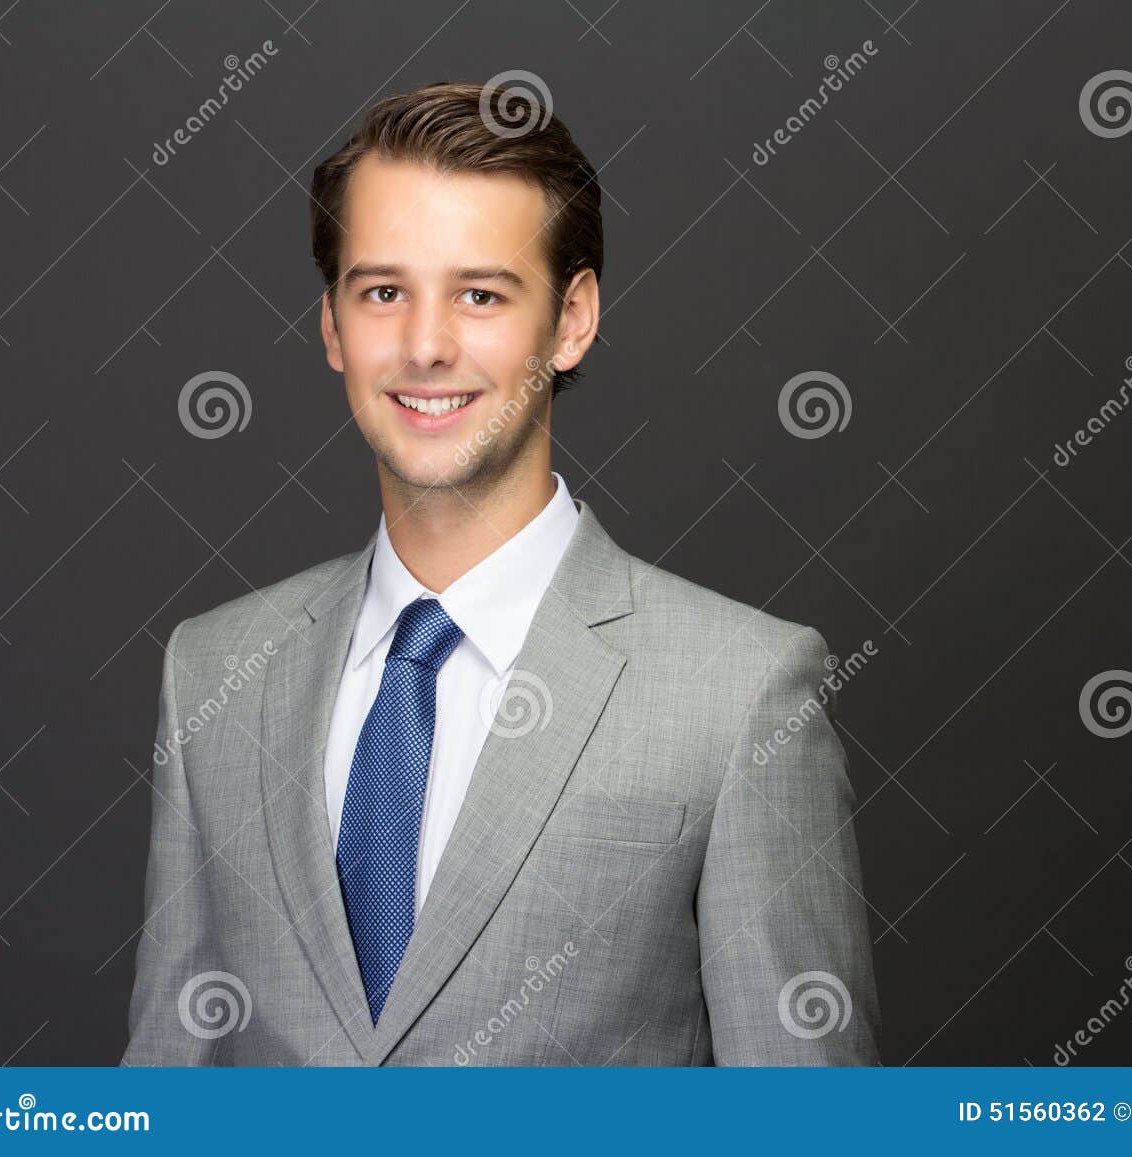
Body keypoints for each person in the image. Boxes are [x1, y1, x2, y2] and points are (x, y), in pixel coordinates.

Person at [122, 81, 879, 1065]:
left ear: (571, 319)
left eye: (479, 294)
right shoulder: (213, 670)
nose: (426, 346)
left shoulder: (741, 692)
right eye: (383, 292)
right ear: (333, 325)